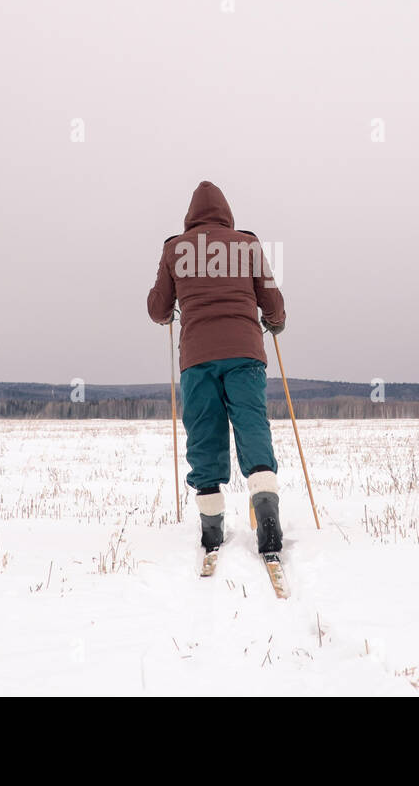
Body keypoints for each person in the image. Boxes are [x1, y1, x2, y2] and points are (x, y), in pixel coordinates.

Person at [147, 181, 286, 559]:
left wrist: (171, 309)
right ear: (227, 212)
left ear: (190, 216)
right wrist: (275, 319)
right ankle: (268, 521)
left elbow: (158, 309)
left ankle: (211, 530)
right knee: (252, 426)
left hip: (197, 358)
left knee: (204, 434)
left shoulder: (174, 249)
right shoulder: (247, 244)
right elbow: (271, 298)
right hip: (245, 353)